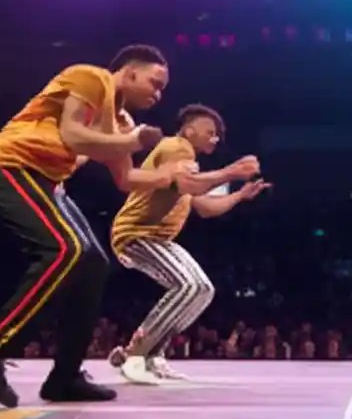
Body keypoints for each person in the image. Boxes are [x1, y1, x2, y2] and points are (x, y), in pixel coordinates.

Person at [0, 44, 182, 408]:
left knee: (93, 264)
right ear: (130, 72)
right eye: (155, 83)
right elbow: (73, 135)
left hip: (47, 182)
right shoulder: (92, 78)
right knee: (67, 249)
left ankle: (66, 377)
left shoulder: (121, 123)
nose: (158, 94)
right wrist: (135, 140)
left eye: (162, 89)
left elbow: (125, 178)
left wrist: (168, 178)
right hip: (10, 165)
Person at [107, 104, 266, 384]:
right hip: (135, 234)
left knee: (203, 289)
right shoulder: (177, 147)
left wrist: (240, 196)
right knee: (189, 285)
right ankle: (135, 354)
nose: (215, 138)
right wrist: (231, 171)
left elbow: (205, 206)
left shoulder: (187, 162)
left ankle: (153, 356)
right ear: (190, 130)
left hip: (158, 238)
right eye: (210, 132)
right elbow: (190, 185)